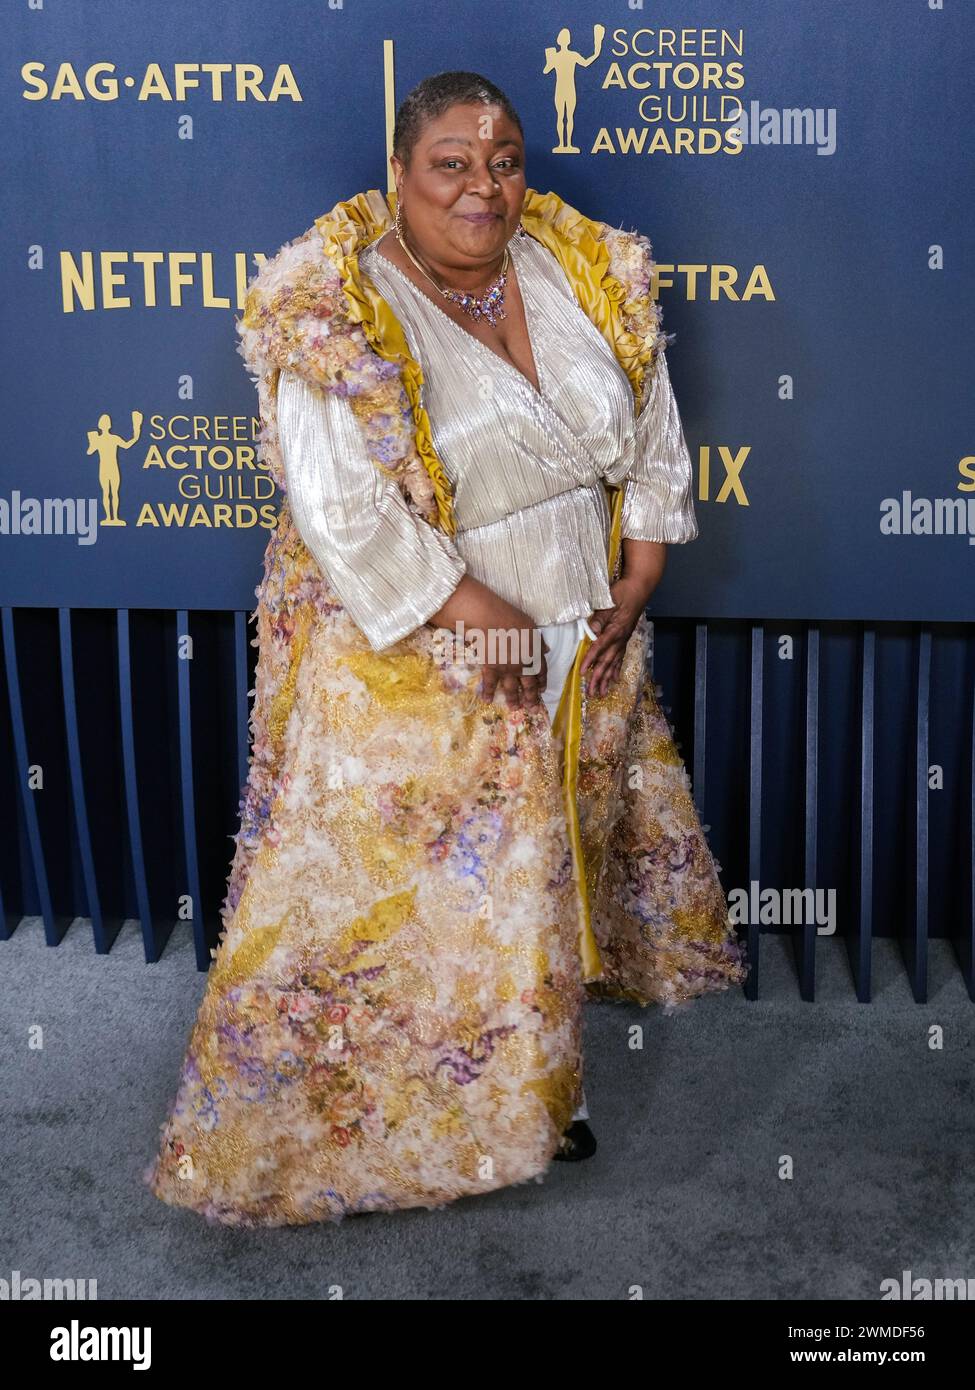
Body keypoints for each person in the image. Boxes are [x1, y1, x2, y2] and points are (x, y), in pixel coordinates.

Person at [144, 70, 748, 1228]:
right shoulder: (336, 305)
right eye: (452, 163)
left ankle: (530, 1100)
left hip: (581, 627)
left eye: (506, 158)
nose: (486, 185)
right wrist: (477, 613)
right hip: (417, 659)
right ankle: (360, 1143)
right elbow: (339, 507)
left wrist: (647, 556)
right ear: (400, 174)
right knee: (399, 915)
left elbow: (650, 409)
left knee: (535, 885)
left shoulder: (579, 266)